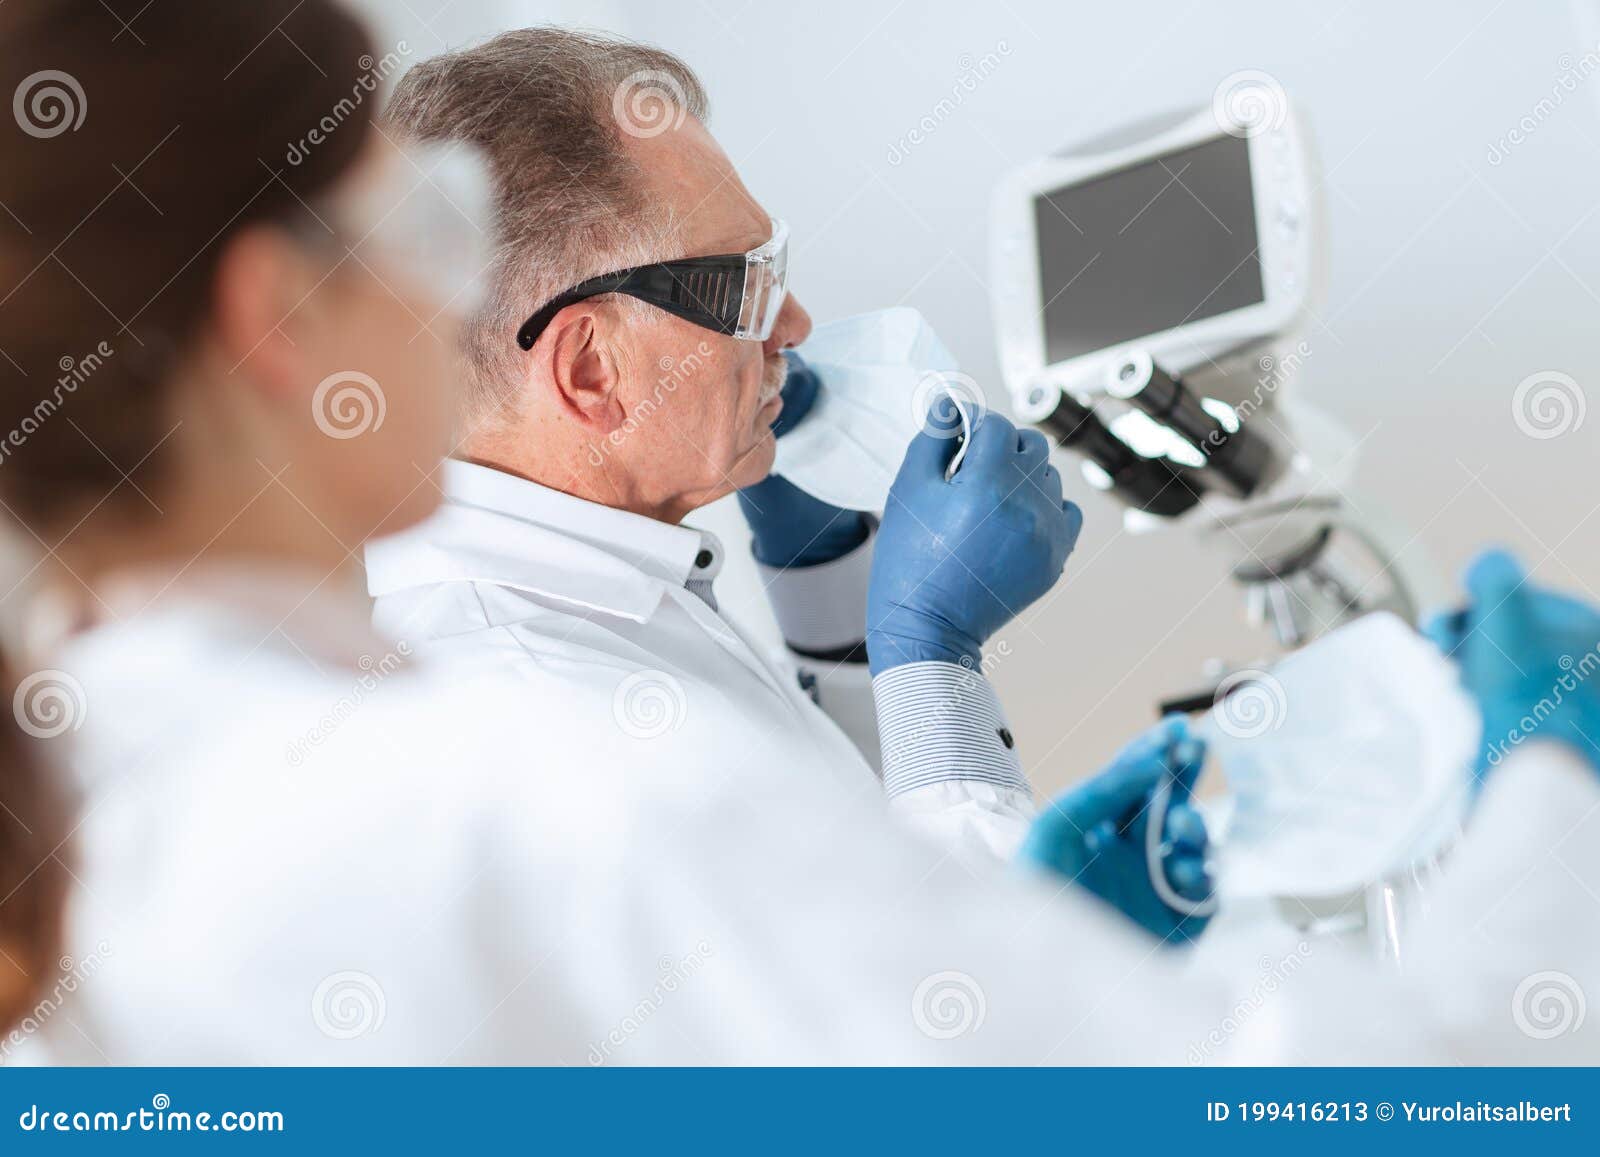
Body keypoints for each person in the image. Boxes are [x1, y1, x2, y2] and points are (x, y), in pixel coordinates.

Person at [0, 0, 1594, 1067]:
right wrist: (1551, 785)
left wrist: (886, 698)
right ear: (587, 366)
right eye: (421, 234)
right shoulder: (544, 774)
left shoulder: (104, 792)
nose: (802, 325)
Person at [363, 30, 1081, 863]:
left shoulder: (609, 595)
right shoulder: (556, 729)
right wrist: (933, 660)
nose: (796, 326)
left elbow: (841, 847)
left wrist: (825, 587)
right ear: (591, 369)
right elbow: (944, 978)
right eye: (744, 287)